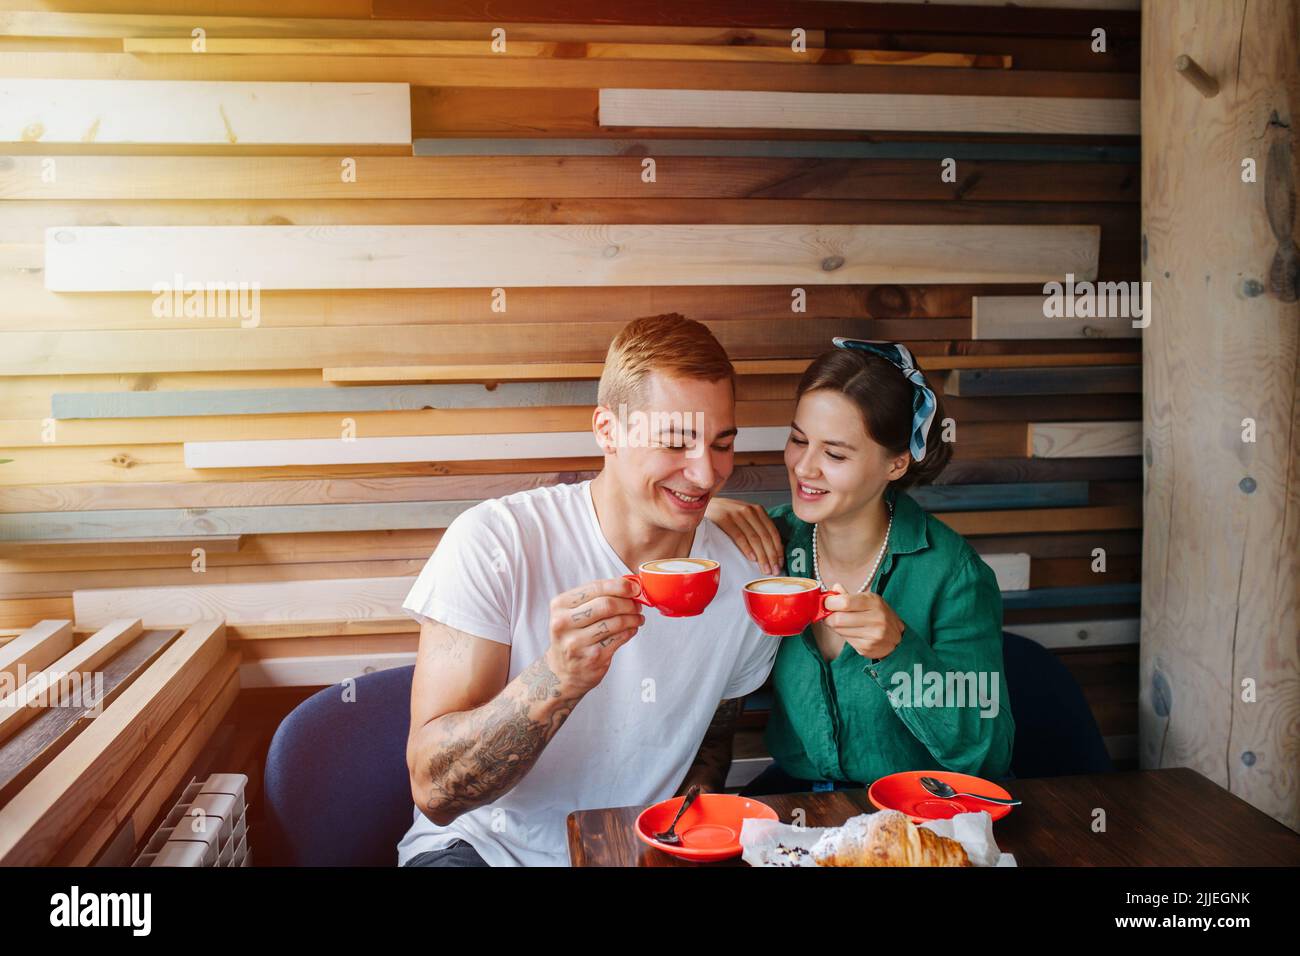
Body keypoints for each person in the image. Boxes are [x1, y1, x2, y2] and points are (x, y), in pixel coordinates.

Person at [399, 313, 778, 866]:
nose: (705, 474)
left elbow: (711, 743)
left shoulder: (745, 570)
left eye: (722, 443)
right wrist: (558, 677)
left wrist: (677, 838)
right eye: (676, 442)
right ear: (607, 430)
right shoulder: (495, 541)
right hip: (479, 851)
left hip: (636, 854)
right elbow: (435, 792)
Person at [706, 338, 1014, 795]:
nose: (804, 467)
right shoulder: (768, 543)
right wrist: (702, 515)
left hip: (919, 810)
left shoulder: (954, 575)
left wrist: (900, 652)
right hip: (796, 802)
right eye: (797, 440)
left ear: (896, 463)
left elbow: (989, 752)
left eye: (834, 454)